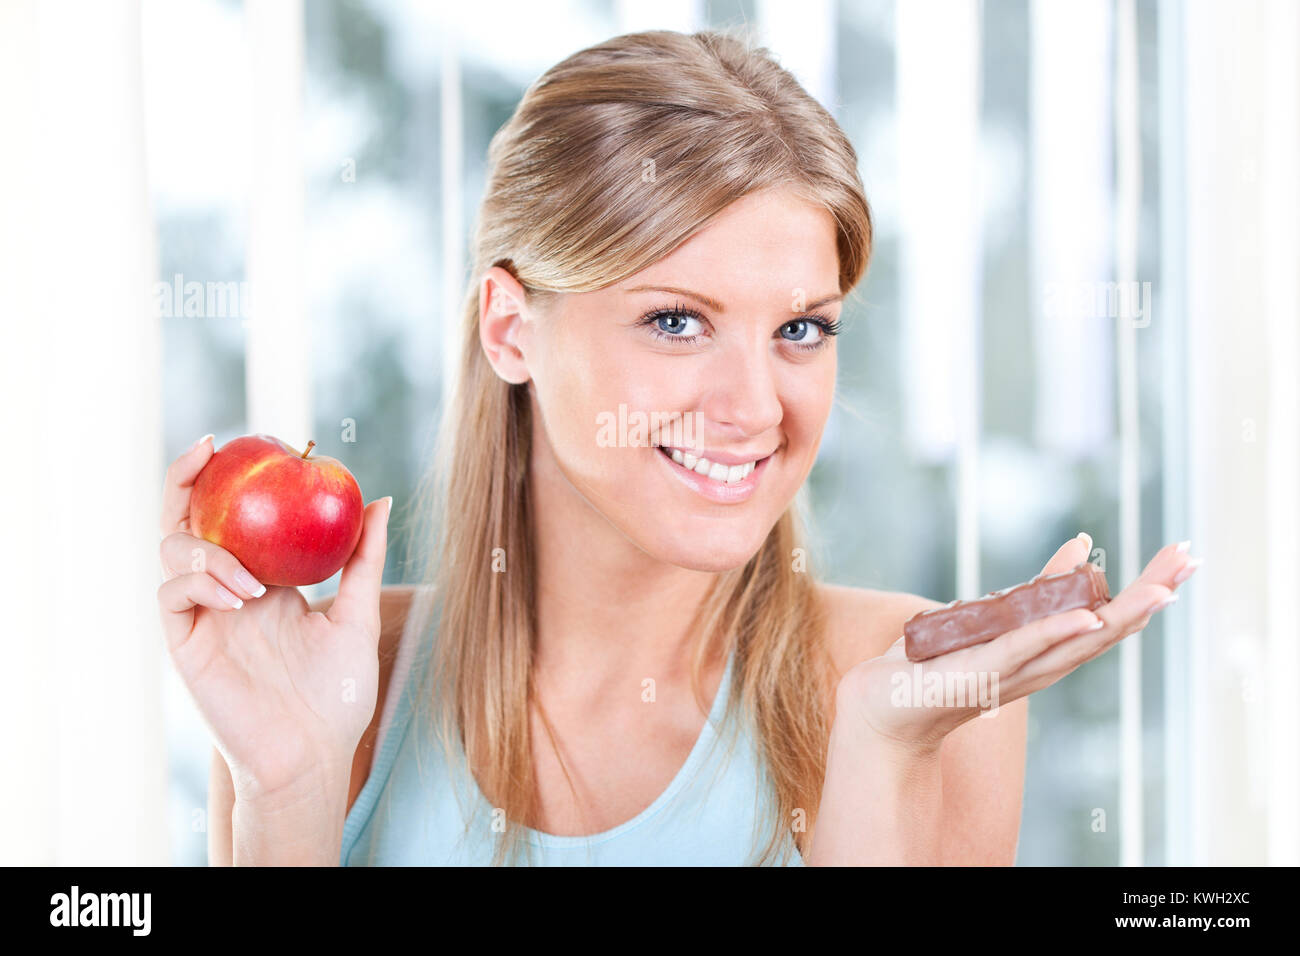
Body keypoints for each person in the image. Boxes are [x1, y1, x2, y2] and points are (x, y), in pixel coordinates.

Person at [156, 28, 1199, 866]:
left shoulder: (927, 689)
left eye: (801, 328)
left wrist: (875, 753)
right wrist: (287, 793)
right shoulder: (330, 684)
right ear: (511, 329)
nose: (753, 406)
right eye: (676, 320)